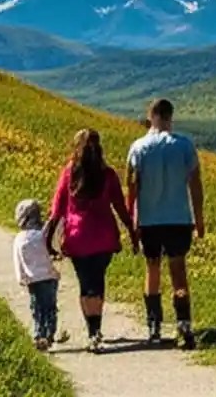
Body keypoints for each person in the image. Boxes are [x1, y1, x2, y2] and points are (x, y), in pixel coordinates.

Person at [45, 128, 138, 353]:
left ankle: (91, 331)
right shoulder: (108, 174)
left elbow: (56, 210)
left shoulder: (69, 173)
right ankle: (96, 330)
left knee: (85, 284)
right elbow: (120, 207)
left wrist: (48, 240)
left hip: (78, 238)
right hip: (104, 237)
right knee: (98, 281)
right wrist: (133, 232)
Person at [127, 97, 205, 350]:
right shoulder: (184, 146)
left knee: (152, 270)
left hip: (150, 219)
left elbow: (132, 187)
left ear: (151, 116)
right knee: (178, 273)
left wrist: (133, 221)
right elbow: (195, 184)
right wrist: (199, 218)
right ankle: (184, 325)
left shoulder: (138, 147)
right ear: (171, 117)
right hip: (178, 217)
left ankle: (154, 326)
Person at [12, 198, 68, 351]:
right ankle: (49, 334)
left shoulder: (19, 238)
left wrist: (21, 277)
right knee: (50, 306)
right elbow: (53, 252)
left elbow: (18, 260)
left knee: (37, 307)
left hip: (33, 279)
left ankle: (38, 334)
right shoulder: (43, 235)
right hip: (50, 277)